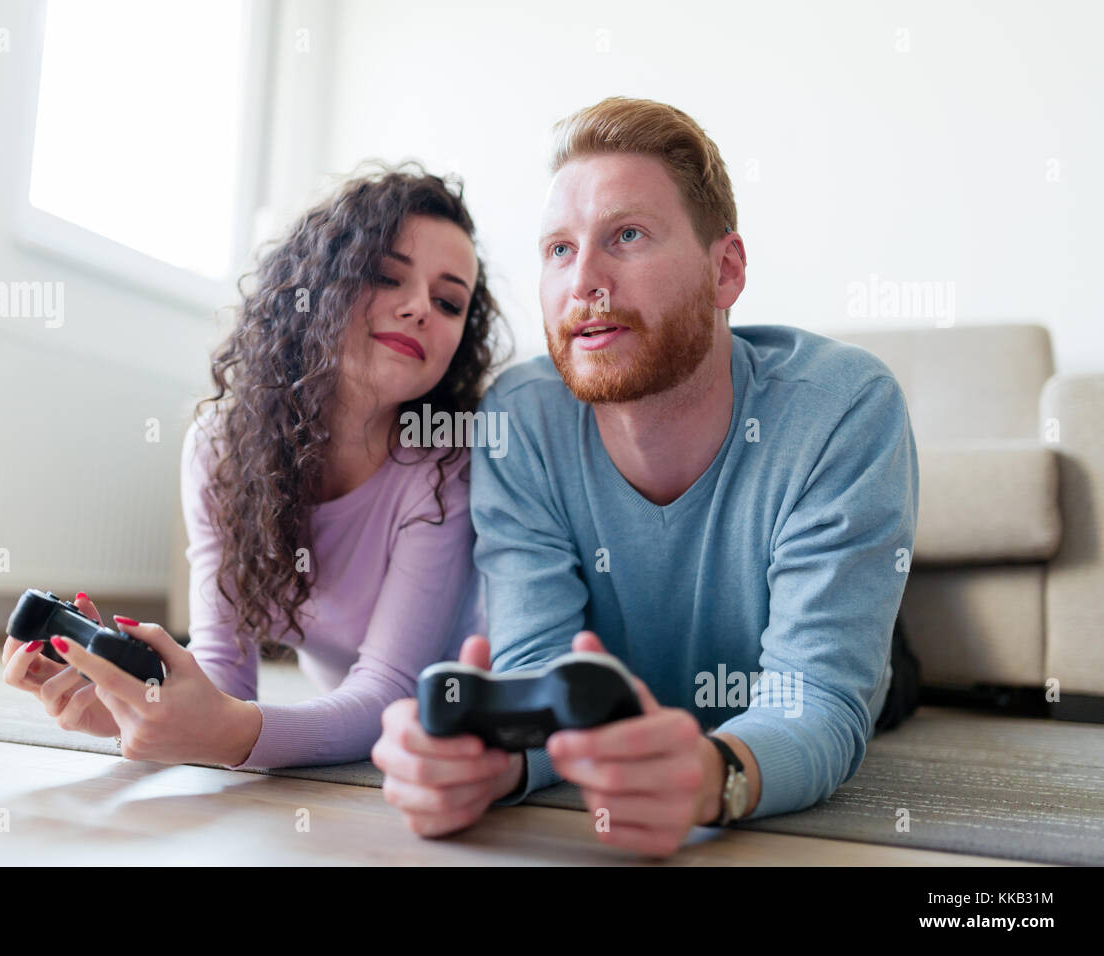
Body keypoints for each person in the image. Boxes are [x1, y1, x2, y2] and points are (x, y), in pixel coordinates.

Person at [372, 97, 921, 857]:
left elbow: (817, 696)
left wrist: (711, 777)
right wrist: (486, 762)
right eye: (559, 250)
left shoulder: (844, 408)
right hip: (626, 692)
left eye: (626, 235)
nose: (583, 281)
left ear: (724, 271)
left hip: (805, 644)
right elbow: (539, 668)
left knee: (886, 679)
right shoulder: (519, 420)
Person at [2, 163, 503, 769]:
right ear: (318, 286)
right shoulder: (221, 448)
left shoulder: (444, 465)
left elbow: (391, 691)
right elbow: (224, 680)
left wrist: (227, 732)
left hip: (480, 706)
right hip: (358, 716)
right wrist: (125, 706)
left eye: (449, 301)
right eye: (385, 276)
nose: (421, 307)